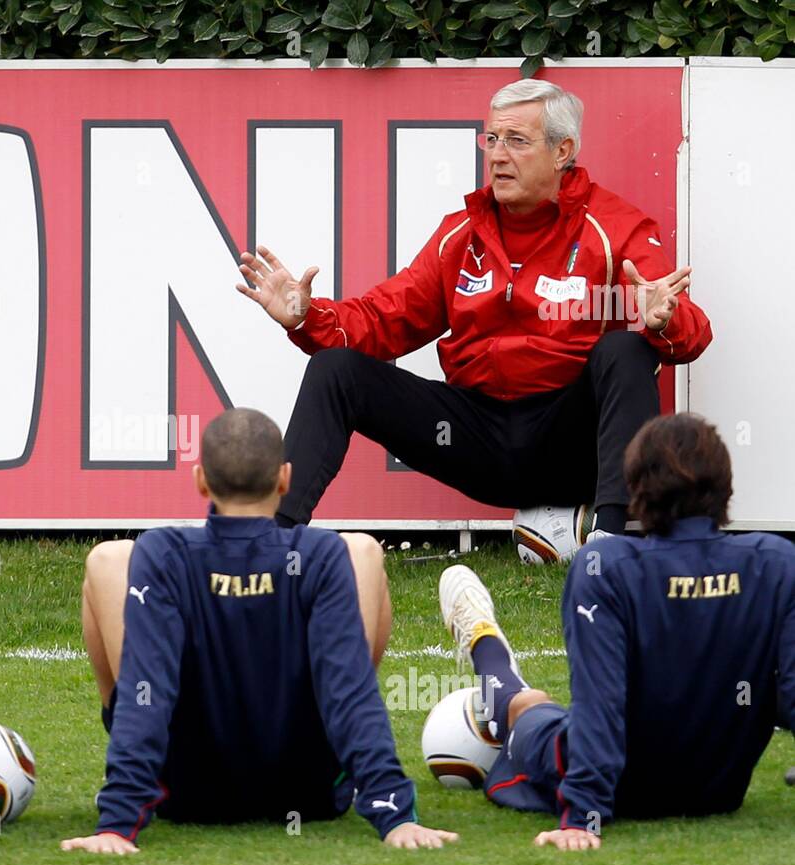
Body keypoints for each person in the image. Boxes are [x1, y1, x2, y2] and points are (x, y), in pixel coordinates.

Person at [237, 79, 713, 540]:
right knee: (334, 370)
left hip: (569, 442)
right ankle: (271, 540)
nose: (498, 156)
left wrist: (665, 320)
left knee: (627, 350)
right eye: (492, 139)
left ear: (563, 152)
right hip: (474, 439)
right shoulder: (459, 233)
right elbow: (383, 320)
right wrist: (306, 318)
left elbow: (693, 332)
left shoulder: (614, 227)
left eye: (516, 141)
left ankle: (611, 543)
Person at [61, 408, 457, 854]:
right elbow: (349, 690)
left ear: (200, 481)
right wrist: (395, 814)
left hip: (182, 796)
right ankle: (359, 774)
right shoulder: (321, 553)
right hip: (310, 794)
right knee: (361, 550)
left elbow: (144, 689)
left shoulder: (162, 551)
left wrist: (116, 823)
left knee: (109, 559)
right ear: (285, 479)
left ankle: (133, 786)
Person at [435, 413, 795, 850]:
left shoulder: (606, 566)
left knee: (528, 708)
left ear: (636, 488)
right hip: (716, 793)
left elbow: (601, 706)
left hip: (613, 782)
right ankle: (489, 652)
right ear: (725, 486)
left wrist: (581, 816)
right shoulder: (775, 562)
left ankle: (491, 657)